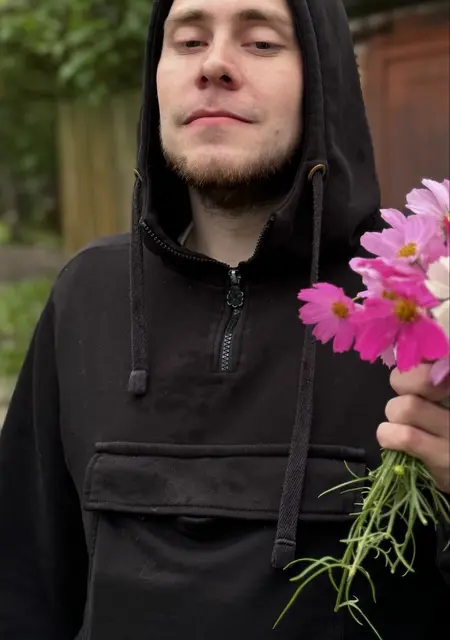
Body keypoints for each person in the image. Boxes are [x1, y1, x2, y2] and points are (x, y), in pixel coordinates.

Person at [0, 0, 448, 638]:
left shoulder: (423, 302)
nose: (214, 64)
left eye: (260, 42)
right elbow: (23, 586)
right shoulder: (87, 295)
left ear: (323, 78)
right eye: (188, 41)